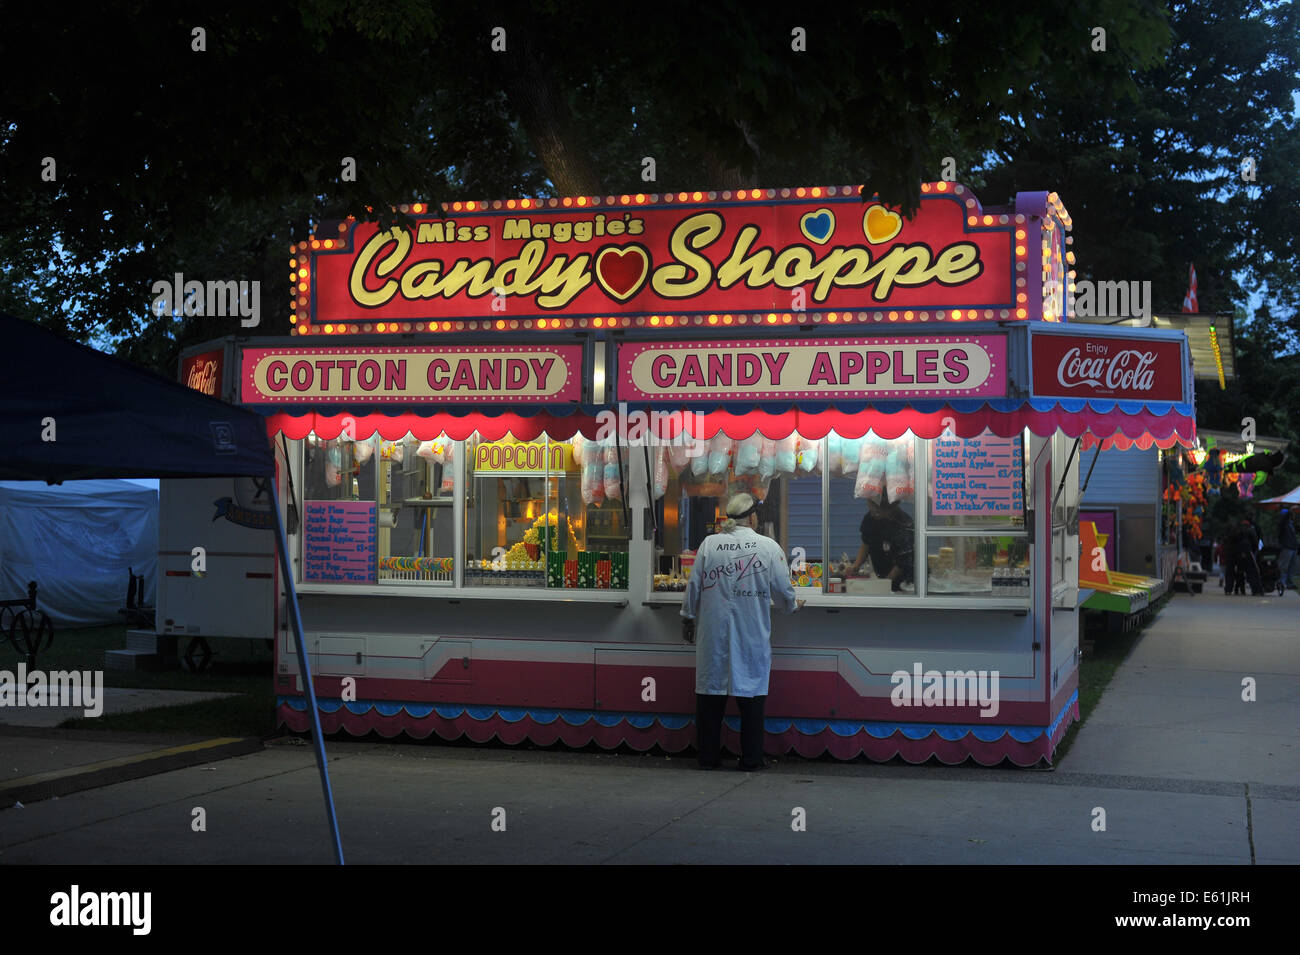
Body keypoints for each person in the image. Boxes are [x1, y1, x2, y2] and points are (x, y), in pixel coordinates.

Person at [681, 493, 803, 771]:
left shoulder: (709, 545)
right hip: (751, 631)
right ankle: (750, 759)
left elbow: (694, 588)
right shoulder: (768, 547)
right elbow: (784, 591)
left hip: (713, 632)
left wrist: (687, 617)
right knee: (752, 695)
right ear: (751, 517)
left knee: (711, 694)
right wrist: (792, 606)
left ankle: (708, 758)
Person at [849, 496, 915, 591]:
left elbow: (902, 563)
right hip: (882, 575)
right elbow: (866, 543)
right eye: (870, 509)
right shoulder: (870, 518)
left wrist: (884, 585)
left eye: (876, 512)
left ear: (890, 510)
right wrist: (855, 566)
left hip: (904, 582)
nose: (872, 515)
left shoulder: (904, 524)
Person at [1232, 516, 1262, 596]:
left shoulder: (1238, 530)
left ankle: (1238, 588)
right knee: (1252, 571)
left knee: (1240, 571)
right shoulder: (1251, 529)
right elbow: (1255, 542)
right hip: (1248, 551)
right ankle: (1256, 590)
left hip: (1239, 552)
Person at [1278, 508, 1298, 590]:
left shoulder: (1290, 524)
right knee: (1284, 566)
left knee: (1291, 567)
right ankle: (1282, 582)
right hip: (1287, 547)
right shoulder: (1283, 524)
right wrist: (1290, 510)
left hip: (1292, 547)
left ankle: (1289, 582)